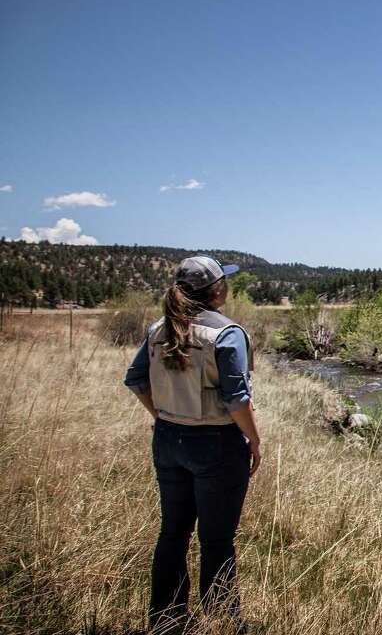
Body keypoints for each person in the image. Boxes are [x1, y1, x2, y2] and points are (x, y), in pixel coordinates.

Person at [124, 255, 262, 633]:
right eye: (225, 282)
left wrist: (163, 415)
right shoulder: (226, 333)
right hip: (217, 443)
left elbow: (135, 379)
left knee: (173, 532)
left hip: (168, 438)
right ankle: (223, 622)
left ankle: (166, 620)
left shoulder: (159, 328)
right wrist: (253, 438)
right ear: (217, 289)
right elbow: (237, 399)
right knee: (216, 539)